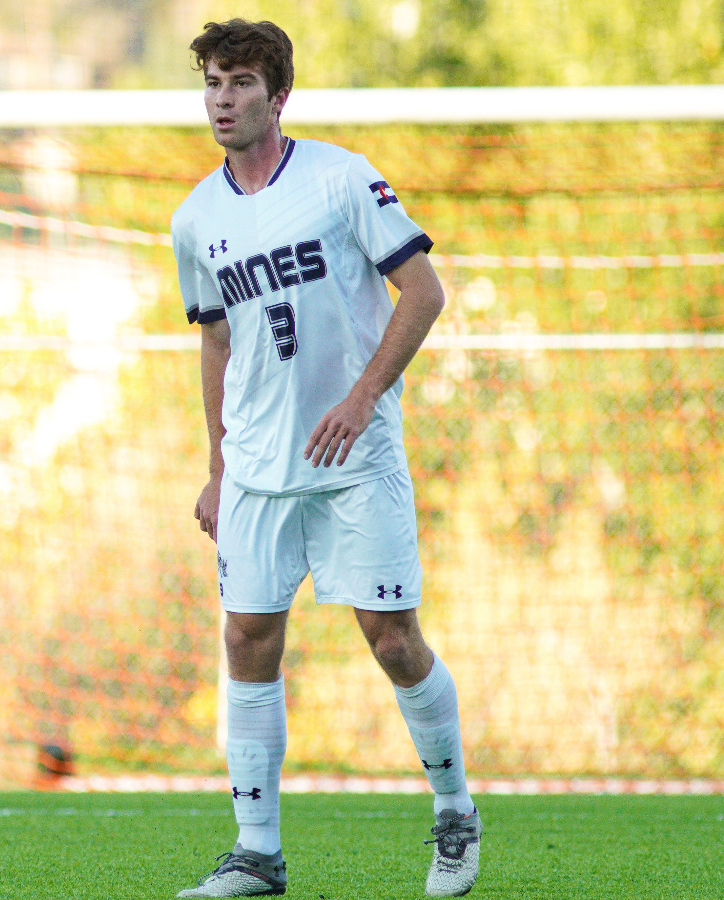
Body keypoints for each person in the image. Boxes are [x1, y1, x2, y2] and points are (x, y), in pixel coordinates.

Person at [170, 18, 480, 899]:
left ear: (279, 97)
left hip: (355, 459)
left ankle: (454, 812)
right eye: (213, 83)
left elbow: (423, 292)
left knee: (392, 639)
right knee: (246, 638)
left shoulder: (343, 178)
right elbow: (217, 342)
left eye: (240, 83)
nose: (223, 100)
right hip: (257, 471)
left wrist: (362, 396)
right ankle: (256, 854)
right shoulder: (193, 219)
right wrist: (218, 467)